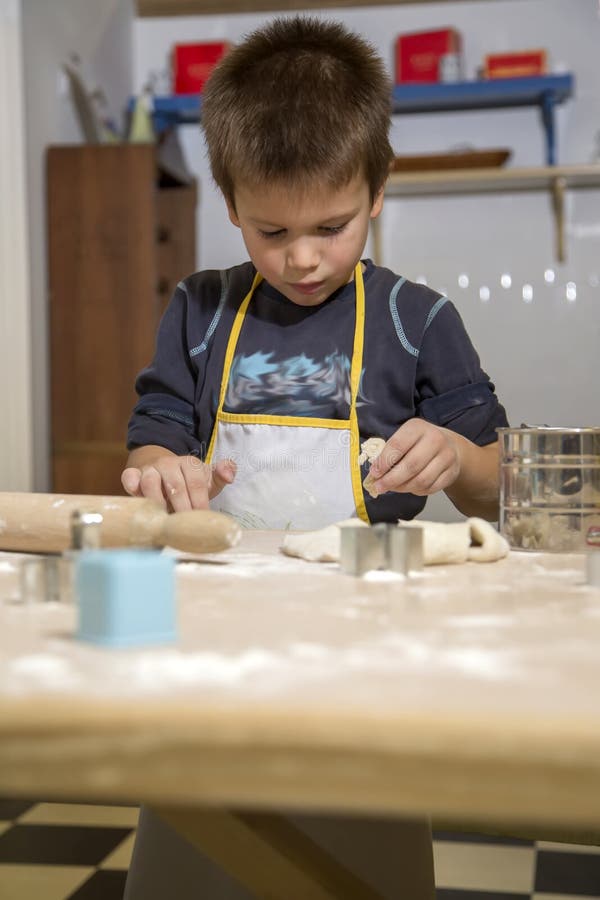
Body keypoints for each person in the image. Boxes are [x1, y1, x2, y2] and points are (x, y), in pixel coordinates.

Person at [123, 15, 508, 899]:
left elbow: (499, 492)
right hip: (213, 642)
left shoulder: (421, 319)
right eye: (270, 232)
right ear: (229, 206)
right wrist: (162, 470)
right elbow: (156, 435)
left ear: (378, 188)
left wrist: (454, 455)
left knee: (359, 859)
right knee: (199, 852)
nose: (302, 258)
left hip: (365, 645)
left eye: (331, 227)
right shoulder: (200, 308)